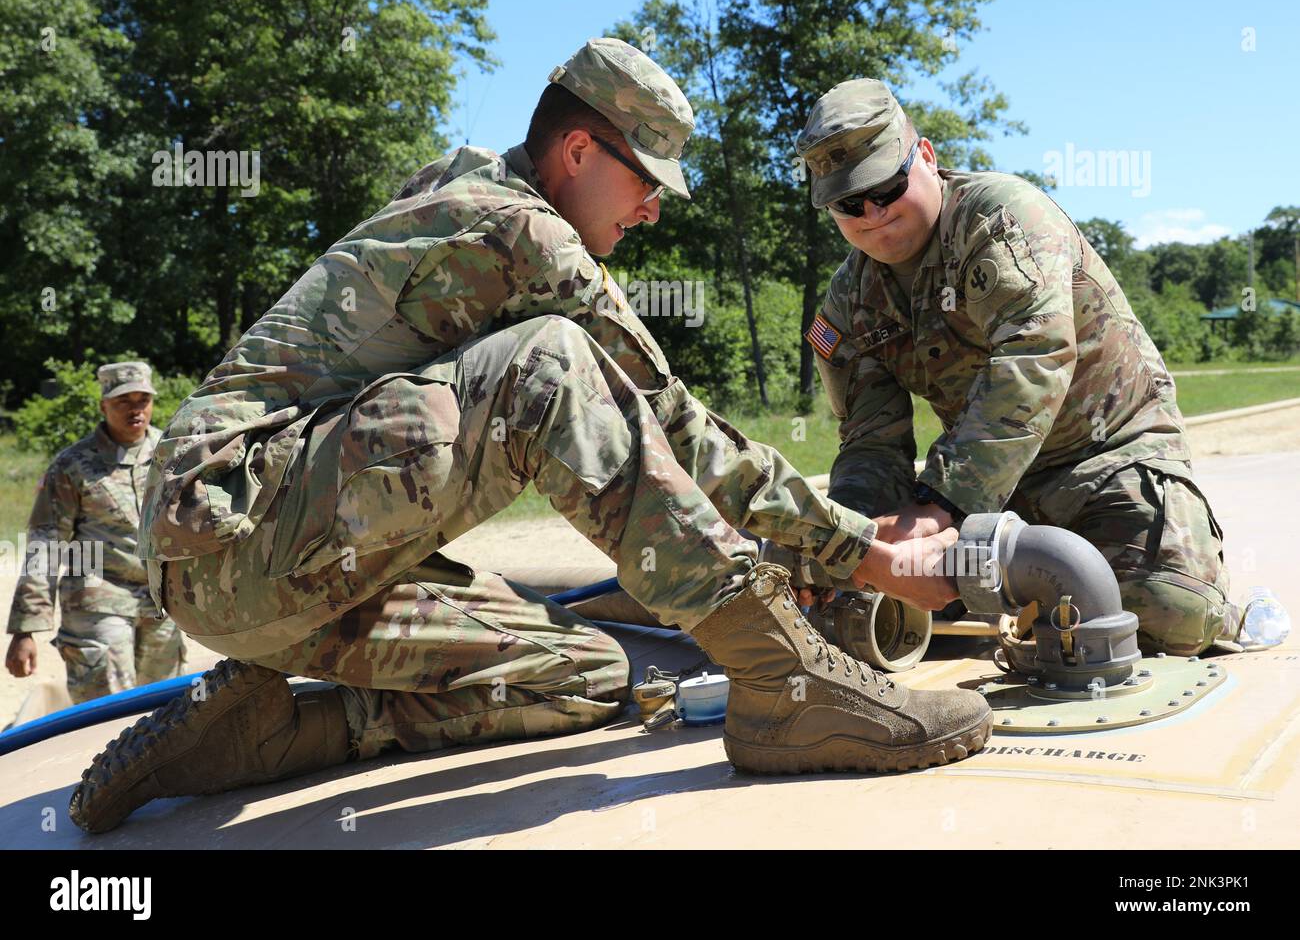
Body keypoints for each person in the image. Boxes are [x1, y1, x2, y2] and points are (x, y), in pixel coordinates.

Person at [69, 40, 990, 833]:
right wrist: (862, 551)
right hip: (232, 536)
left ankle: (272, 734)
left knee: (586, 676)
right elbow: (671, 422)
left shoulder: (466, 188)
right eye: (646, 181)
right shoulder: (517, 228)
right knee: (547, 363)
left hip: (278, 566)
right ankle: (784, 683)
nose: (653, 209)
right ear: (579, 150)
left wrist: (820, 540)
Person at [795, 78, 1233, 655]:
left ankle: (1202, 602)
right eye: (850, 203)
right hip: (992, 493)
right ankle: (1017, 594)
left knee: (1172, 611)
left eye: (888, 187)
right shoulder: (848, 304)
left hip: (1104, 460)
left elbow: (1034, 357)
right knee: (865, 603)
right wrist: (849, 540)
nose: (873, 214)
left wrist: (939, 509)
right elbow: (870, 443)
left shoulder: (1001, 218)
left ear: (924, 155)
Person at [5, 362, 187, 704]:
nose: (136, 409)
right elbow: (45, 544)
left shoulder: (173, 454)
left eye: (143, 400)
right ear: (103, 405)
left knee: (165, 712)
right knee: (107, 714)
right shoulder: (72, 465)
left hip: (161, 602)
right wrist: (25, 628)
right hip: (97, 601)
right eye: (123, 401)